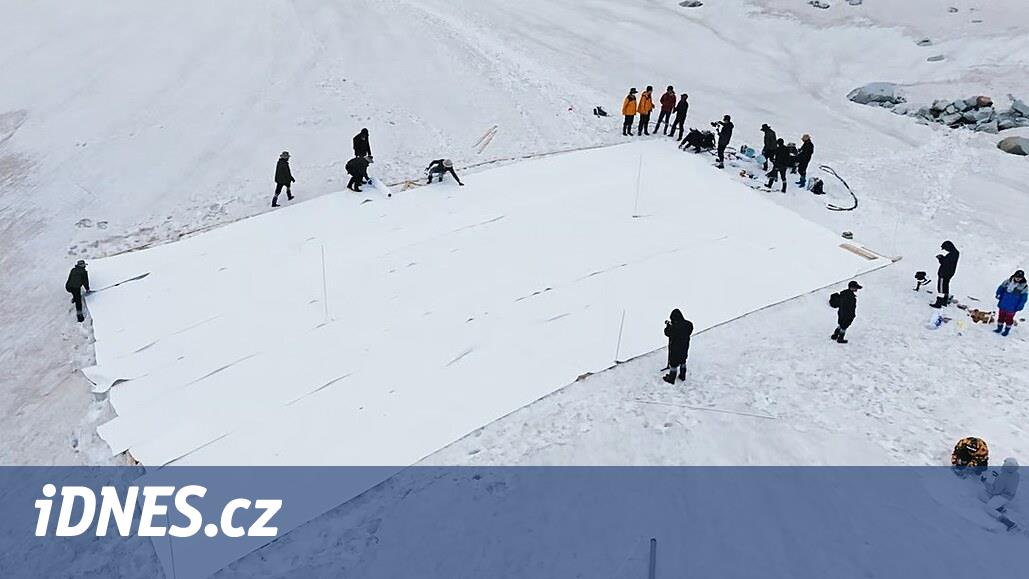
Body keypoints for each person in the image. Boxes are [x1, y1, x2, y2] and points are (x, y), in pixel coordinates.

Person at [978, 458, 1020, 531]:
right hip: (1010, 496)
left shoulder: (1003, 477)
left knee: (987, 507)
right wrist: (998, 477)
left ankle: (1009, 523)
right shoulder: (1016, 474)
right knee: (984, 495)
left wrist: (985, 482)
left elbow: (994, 491)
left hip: (1002, 497)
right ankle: (999, 507)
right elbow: (1008, 481)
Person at [662, 309, 694, 384]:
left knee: (673, 363)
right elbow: (688, 330)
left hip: (675, 348)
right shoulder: (688, 324)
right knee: (683, 360)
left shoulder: (674, 327)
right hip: (685, 346)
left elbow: (667, 333)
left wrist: (668, 326)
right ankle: (682, 376)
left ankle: (671, 378)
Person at [994, 269, 1027, 336]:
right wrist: (998, 294)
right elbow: (1001, 288)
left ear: (1022, 278)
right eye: (1017, 277)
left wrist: (1020, 305)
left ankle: (1006, 330)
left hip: (1013, 306)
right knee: (1001, 317)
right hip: (1003, 303)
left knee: (1009, 319)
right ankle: (999, 328)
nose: (1018, 278)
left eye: (1020, 277)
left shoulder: (1024, 287)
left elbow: (1024, 298)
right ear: (1014, 276)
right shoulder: (1007, 282)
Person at [931, 241, 959, 309]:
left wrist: (940, 258)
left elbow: (945, 263)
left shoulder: (951, 255)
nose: (946, 250)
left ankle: (939, 303)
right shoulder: (955, 253)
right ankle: (944, 301)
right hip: (949, 273)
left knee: (941, 289)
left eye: (945, 248)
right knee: (945, 287)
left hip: (944, 274)